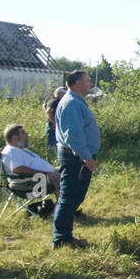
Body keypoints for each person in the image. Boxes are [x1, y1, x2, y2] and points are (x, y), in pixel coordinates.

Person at [53, 70, 99, 248]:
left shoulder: (77, 102)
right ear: (77, 83)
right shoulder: (72, 103)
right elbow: (73, 136)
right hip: (75, 157)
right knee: (68, 197)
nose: (90, 84)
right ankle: (61, 239)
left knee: (74, 197)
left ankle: (65, 235)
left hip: (78, 156)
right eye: (88, 81)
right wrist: (86, 157)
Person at [1, 124, 59, 216]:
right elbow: (18, 169)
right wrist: (46, 173)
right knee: (60, 177)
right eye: (24, 133)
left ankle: (65, 208)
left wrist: (53, 170)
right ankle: (65, 211)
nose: (28, 135)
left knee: (67, 170)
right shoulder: (11, 151)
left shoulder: (21, 150)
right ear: (15, 138)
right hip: (25, 184)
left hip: (38, 178)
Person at [43, 88, 67, 153]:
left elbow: (45, 107)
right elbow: (49, 111)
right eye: (63, 93)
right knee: (52, 144)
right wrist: (55, 123)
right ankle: (50, 157)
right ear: (59, 94)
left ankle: (51, 156)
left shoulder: (51, 100)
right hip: (52, 126)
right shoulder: (55, 101)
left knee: (53, 143)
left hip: (51, 125)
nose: (65, 95)